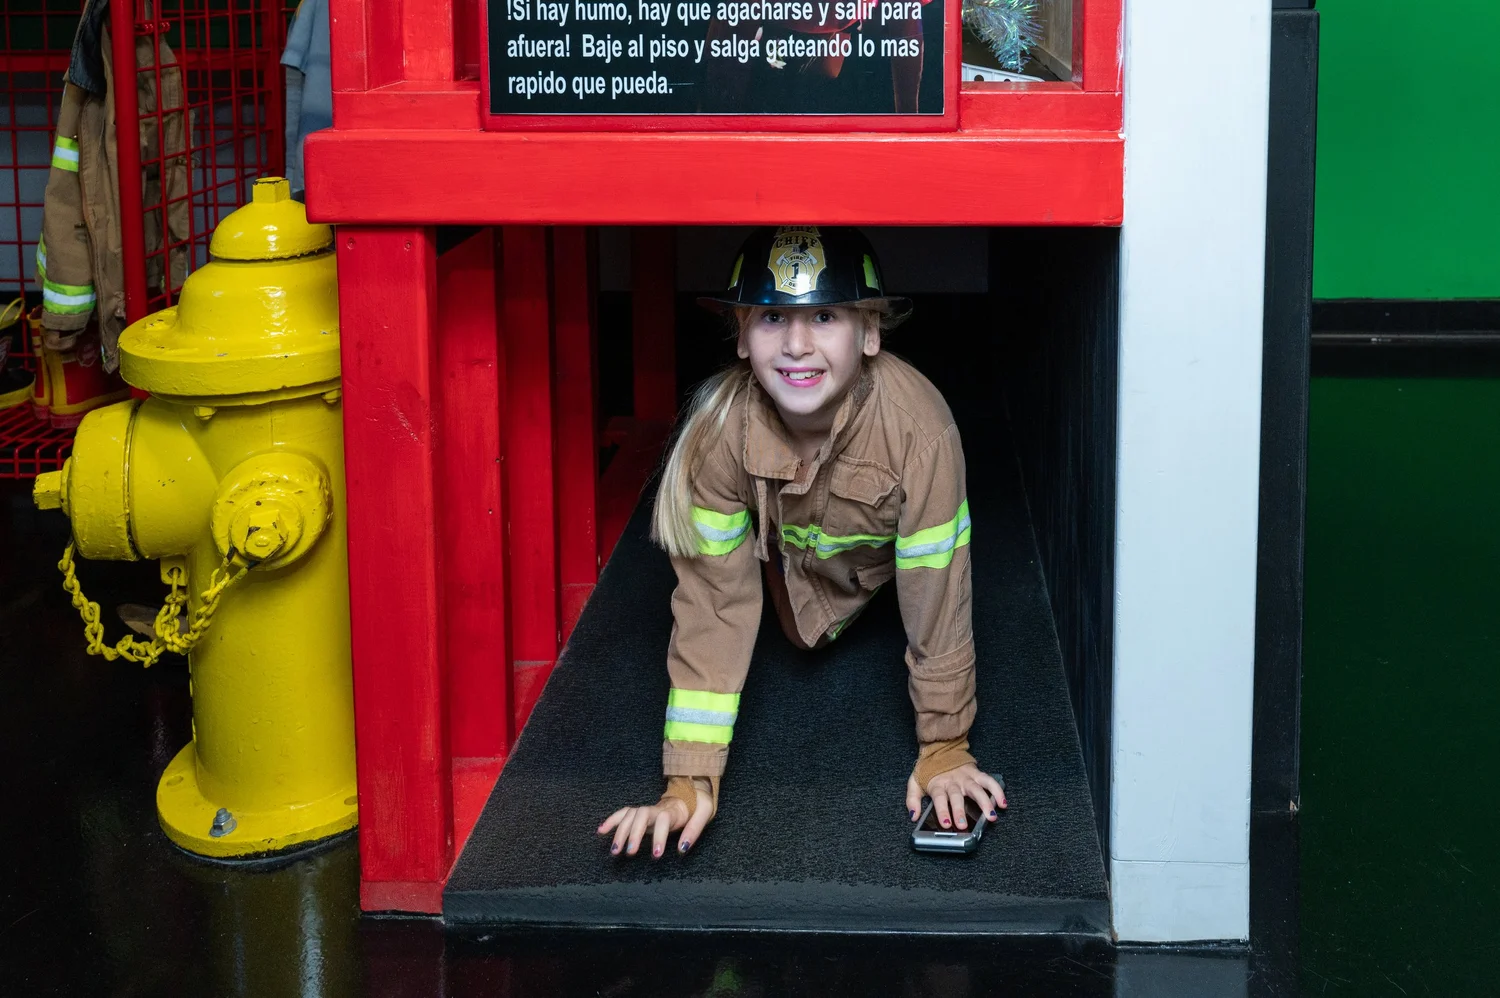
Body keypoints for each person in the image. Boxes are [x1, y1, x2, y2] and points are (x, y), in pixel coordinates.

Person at [597, 226, 1006, 859]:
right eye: (770, 317)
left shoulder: (920, 432)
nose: (796, 344)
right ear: (740, 334)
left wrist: (944, 747)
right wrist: (687, 782)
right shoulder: (718, 440)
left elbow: (937, 586)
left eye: (823, 315)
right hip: (783, 582)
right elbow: (714, 606)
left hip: (872, 581)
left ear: (870, 332)